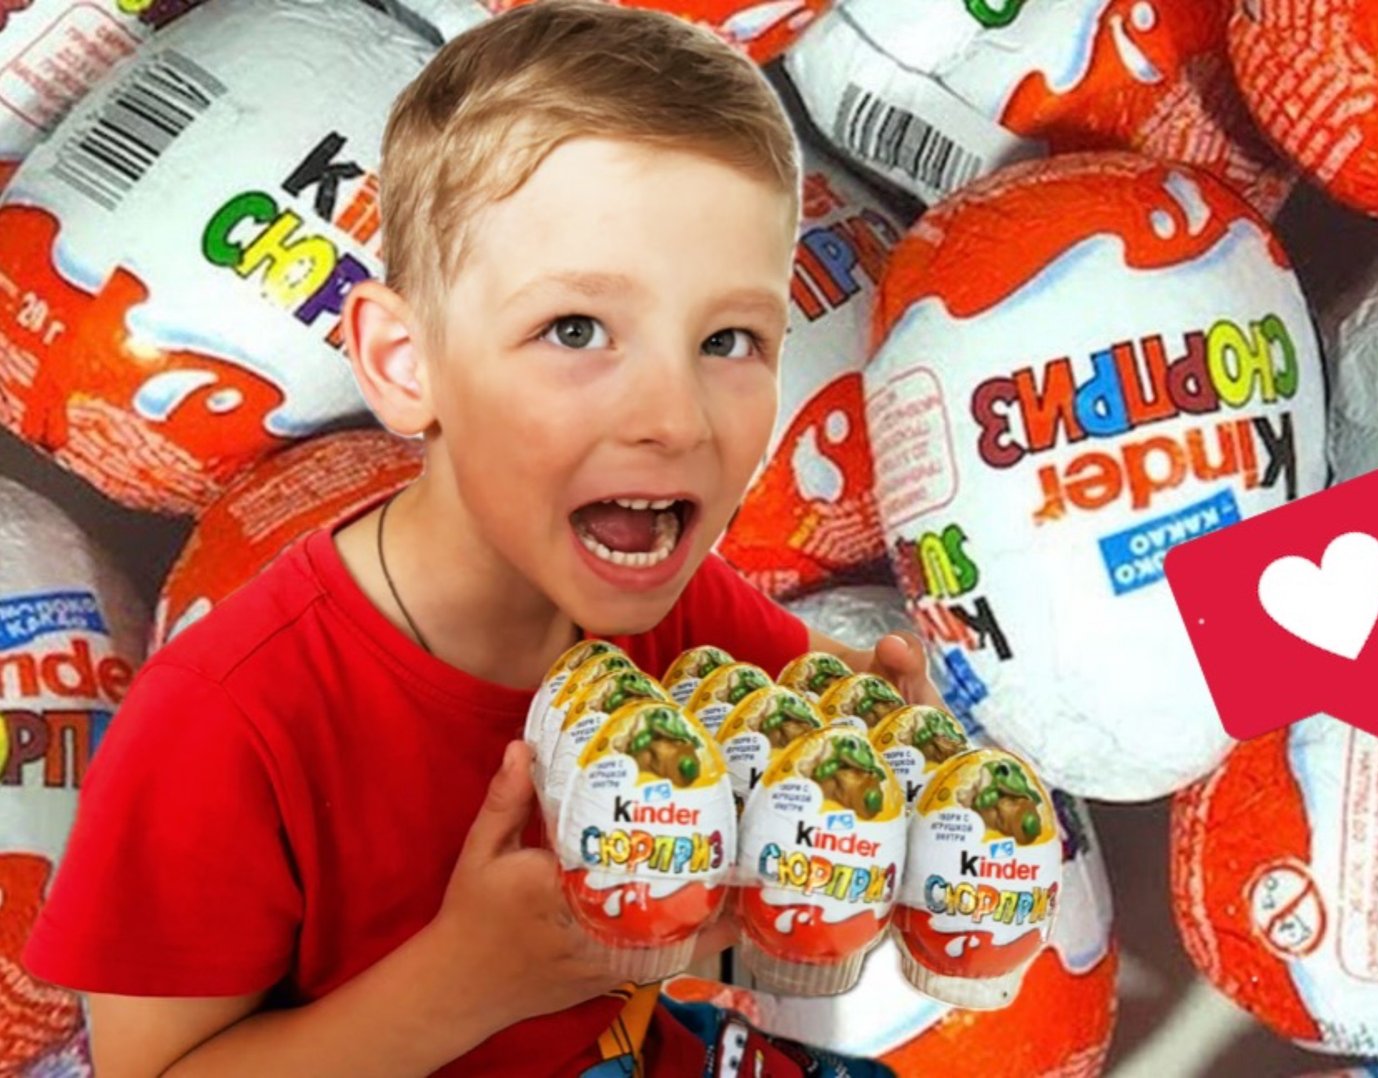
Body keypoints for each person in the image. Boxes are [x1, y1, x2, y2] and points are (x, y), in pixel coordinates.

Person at [24, 4, 931, 1074]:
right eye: (576, 333)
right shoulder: (218, 717)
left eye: (728, 340)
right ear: (402, 361)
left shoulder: (673, 613)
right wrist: (459, 981)